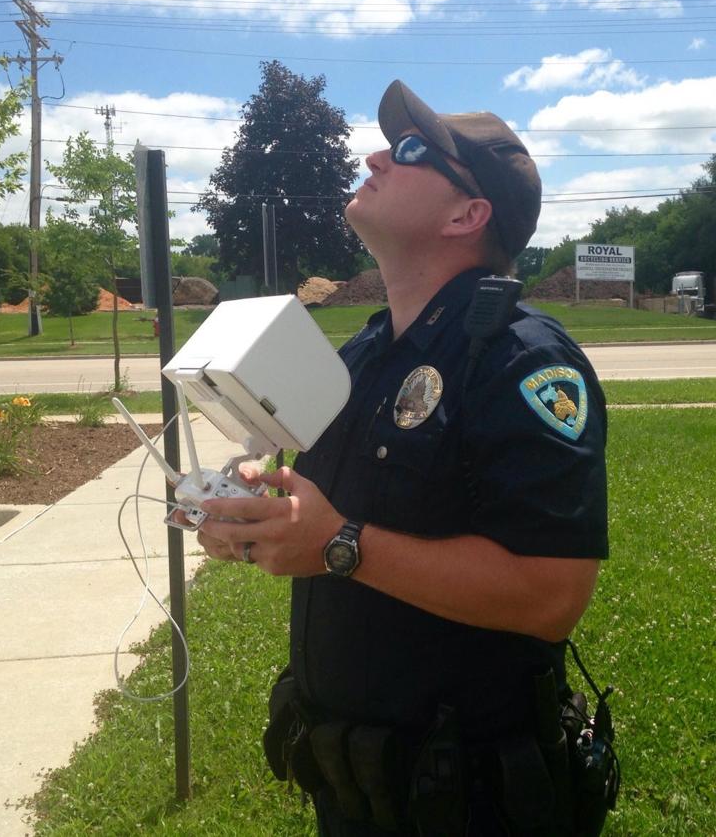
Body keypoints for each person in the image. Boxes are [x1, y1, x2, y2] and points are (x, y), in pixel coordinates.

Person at [194, 80, 609, 835]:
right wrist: (260, 512)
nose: (376, 156)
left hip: (469, 801)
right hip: (354, 784)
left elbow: (552, 596)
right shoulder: (364, 351)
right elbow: (329, 510)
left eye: (413, 150)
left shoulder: (522, 360)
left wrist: (339, 545)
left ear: (467, 215)